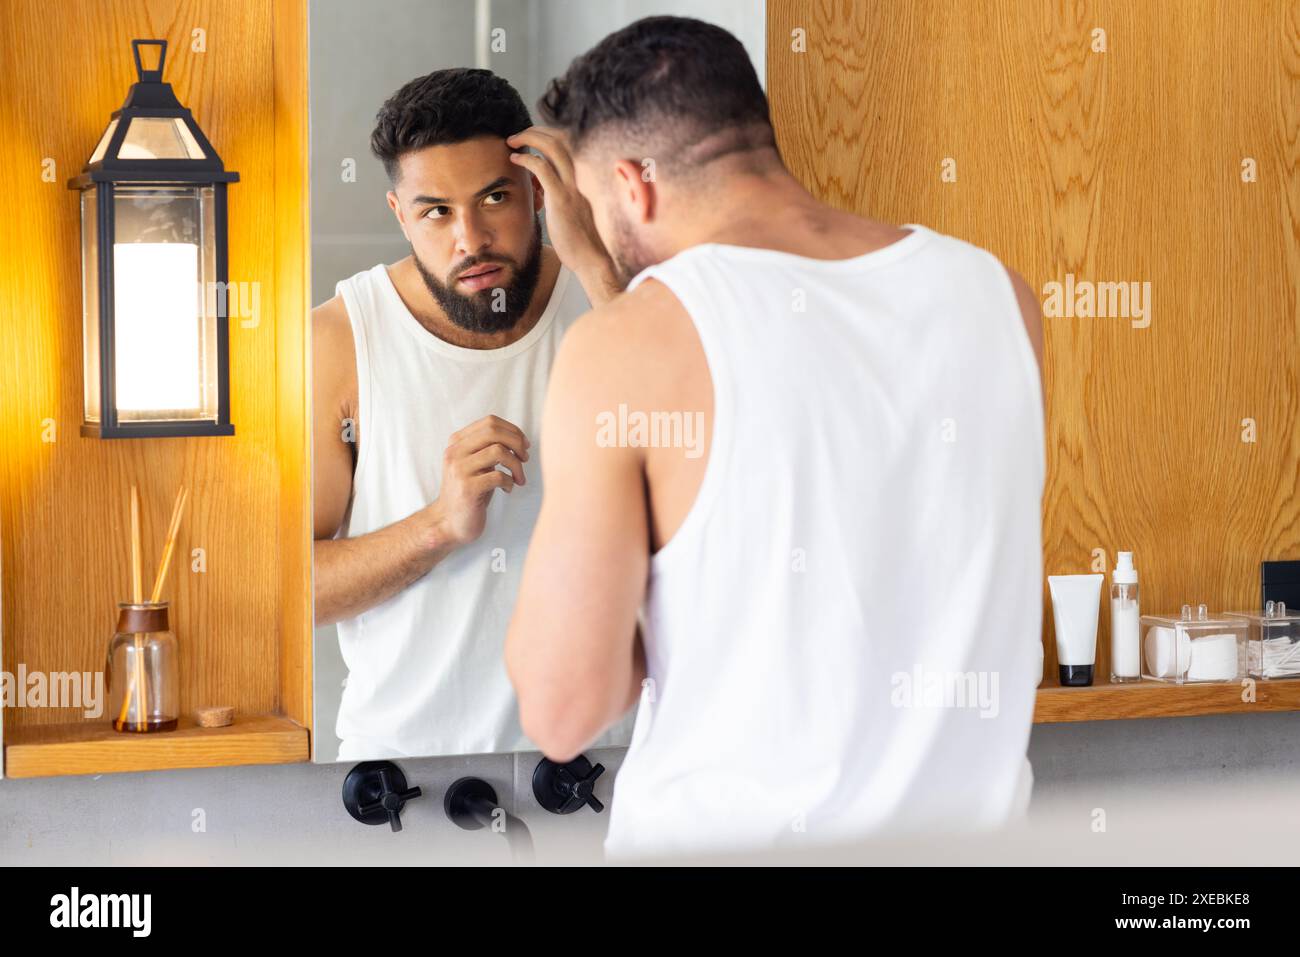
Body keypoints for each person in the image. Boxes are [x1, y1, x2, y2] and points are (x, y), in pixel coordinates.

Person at [505, 17, 1046, 859]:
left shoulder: (621, 350)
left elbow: (563, 707)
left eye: (595, 206)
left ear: (632, 185)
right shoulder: (999, 295)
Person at [313, 68, 622, 759]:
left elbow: (716, 467)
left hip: (601, 771)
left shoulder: (613, 298)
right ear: (399, 213)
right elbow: (288, 591)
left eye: (494, 197)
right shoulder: (341, 341)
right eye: (437, 211)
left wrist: (599, 267)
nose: (470, 239)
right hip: (408, 781)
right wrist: (438, 526)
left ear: (538, 188)